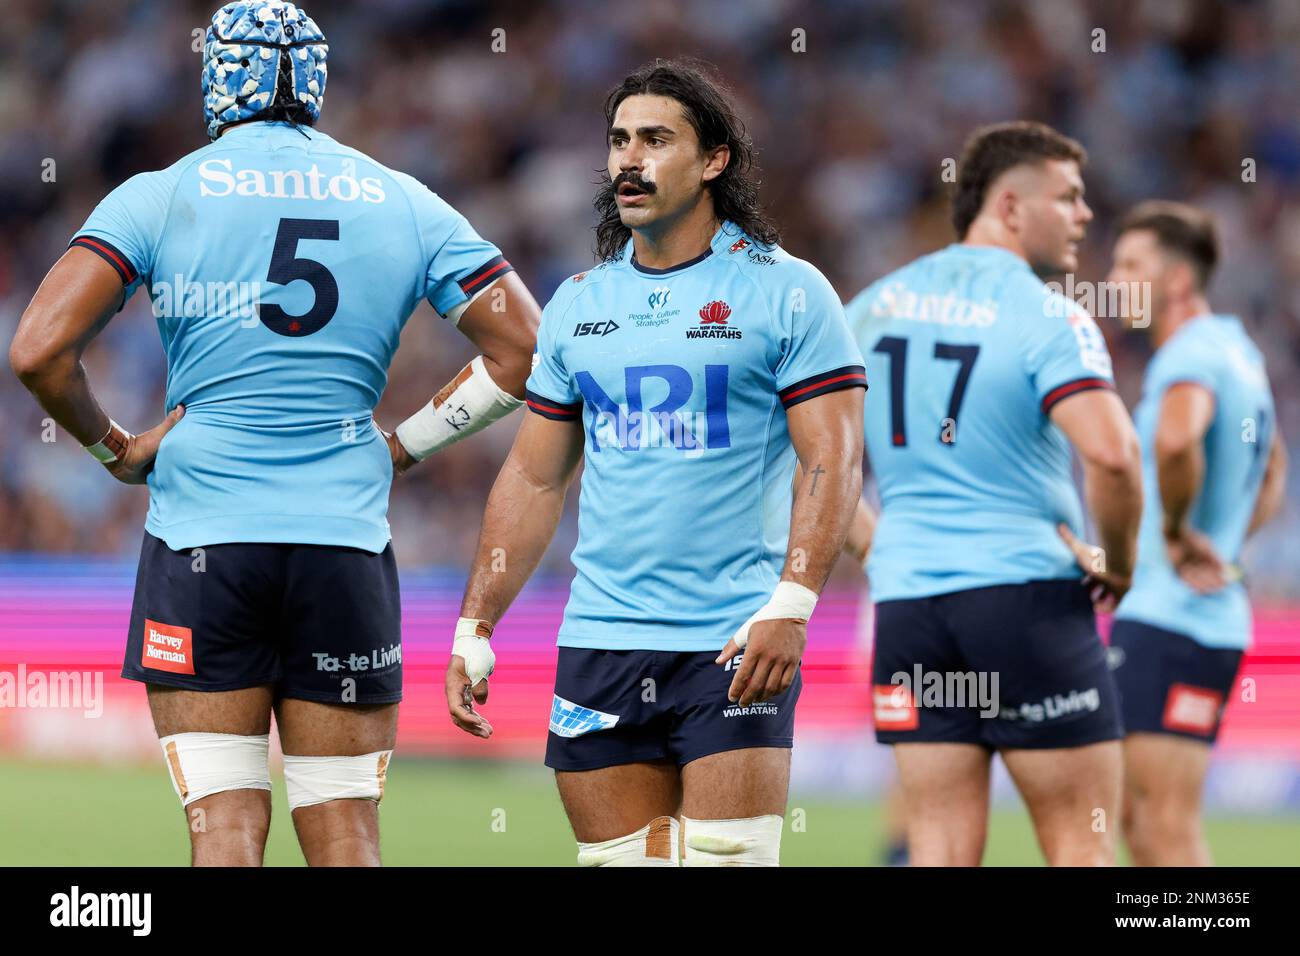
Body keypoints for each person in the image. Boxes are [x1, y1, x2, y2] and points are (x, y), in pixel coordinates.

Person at [9, 0, 539, 866]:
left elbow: (37, 351)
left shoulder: (163, 191)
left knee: (224, 833)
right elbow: (526, 350)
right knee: (346, 836)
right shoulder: (401, 197)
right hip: (344, 544)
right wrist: (404, 446)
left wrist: (115, 448)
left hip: (202, 543)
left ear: (216, 76)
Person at [443, 58, 866, 866]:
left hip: (735, 637)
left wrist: (793, 602)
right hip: (602, 639)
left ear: (714, 161)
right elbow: (534, 477)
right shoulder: (578, 303)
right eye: (619, 140)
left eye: (657, 139)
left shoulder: (787, 292)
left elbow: (833, 456)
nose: (629, 159)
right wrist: (475, 623)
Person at [843, 121, 1142, 865]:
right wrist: (1120, 562)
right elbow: (1112, 452)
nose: (1085, 215)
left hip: (910, 609)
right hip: (1026, 600)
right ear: (1009, 206)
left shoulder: (871, 308)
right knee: (1081, 843)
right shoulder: (1049, 314)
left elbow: (802, 462)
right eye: (1068, 198)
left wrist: (881, 547)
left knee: (937, 846)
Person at [1106, 201, 1286, 865]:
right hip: (1199, 620)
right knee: (1146, 821)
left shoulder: (1188, 356)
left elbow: (1179, 439)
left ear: (1178, 281)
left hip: (1172, 620)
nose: (1113, 277)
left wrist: (1180, 533)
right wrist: (1230, 541)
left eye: (1130, 265)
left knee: (1160, 827)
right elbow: (1272, 466)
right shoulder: (1239, 351)